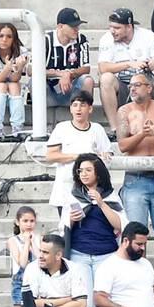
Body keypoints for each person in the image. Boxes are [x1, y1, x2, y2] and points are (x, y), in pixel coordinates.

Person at [59, 153, 124, 307]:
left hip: (105, 254)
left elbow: (121, 224)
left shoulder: (111, 195)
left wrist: (101, 203)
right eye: (80, 170)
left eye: (88, 170)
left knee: (98, 303)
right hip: (79, 254)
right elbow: (62, 228)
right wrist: (71, 218)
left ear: (98, 173)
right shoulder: (73, 195)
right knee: (82, 304)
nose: (84, 174)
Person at [116, 70, 154, 290]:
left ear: (149, 88)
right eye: (131, 85)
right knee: (137, 231)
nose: (132, 88)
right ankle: (141, 273)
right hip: (135, 178)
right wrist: (143, 134)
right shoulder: (124, 111)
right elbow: (122, 145)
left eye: (137, 85)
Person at [97, 7, 154, 131]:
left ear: (129, 27)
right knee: (106, 78)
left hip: (147, 84)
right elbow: (103, 67)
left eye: (117, 28)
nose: (112, 31)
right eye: (111, 27)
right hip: (123, 85)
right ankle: (115, 130)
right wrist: (129, 64)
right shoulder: (106, 39)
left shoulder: (148, 36)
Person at [45, 91, 112, 219]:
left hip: (90, 191)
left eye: (82, 105)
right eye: (75, 105)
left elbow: (107, 153)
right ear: (70, 109)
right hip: (65, 189)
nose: (78, 109)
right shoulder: (61, 128)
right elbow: (50, 156)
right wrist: (79, 157)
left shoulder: (97, 129)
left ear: (90, 108)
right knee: (67, 229)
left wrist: (103, 155)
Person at [44, 8, 96, 110]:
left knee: (88, 81)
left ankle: (83, 121)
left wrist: (69, 74)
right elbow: (31, 70)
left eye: (78, 26)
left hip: (71, 90)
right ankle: (39, 122)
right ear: (60, 26)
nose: (77, 29)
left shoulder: (81, 39)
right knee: (34, 81)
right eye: (73, 26)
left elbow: (86, 68)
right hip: (49, 90)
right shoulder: (45, 40)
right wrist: (61, 74)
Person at [7, 206, 39, 307]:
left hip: (37, 281)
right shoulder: (13, 241)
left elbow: (41, 259)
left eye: (32, 221)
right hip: (20, 281)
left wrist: (33, 243)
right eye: (25, 221)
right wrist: (26, 243)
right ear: (18, 222)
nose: (28, 224)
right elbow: (22, 262)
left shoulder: (38, 238)